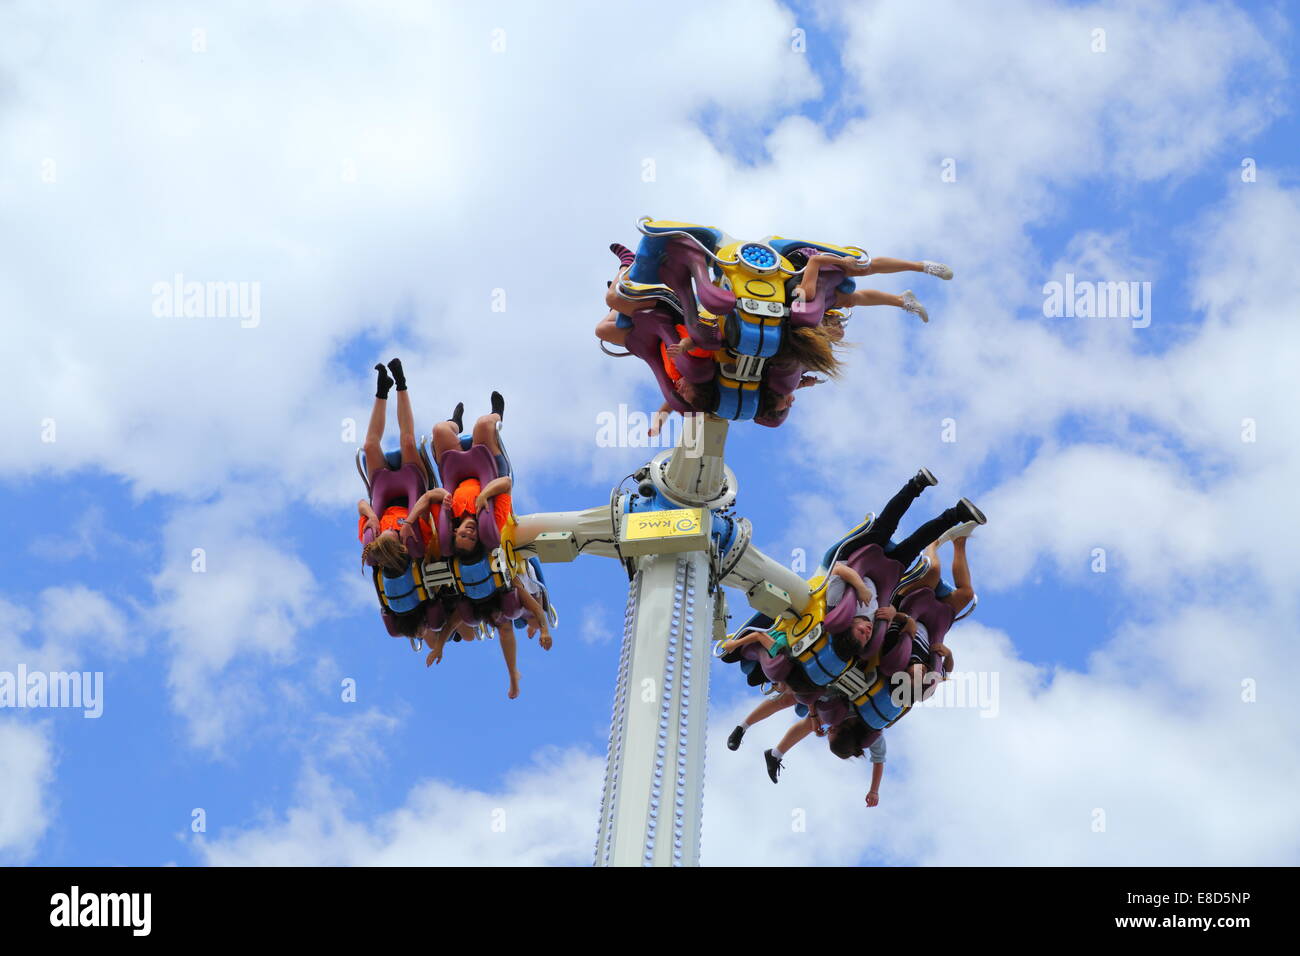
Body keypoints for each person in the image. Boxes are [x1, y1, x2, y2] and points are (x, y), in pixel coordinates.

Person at [357, 358, 438, 640]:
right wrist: (410, 520)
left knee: (369, 446)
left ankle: (382, 390)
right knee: (407, 441)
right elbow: (428, 499)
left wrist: (373, 516)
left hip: (383, 490)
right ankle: (401, 384)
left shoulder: (374, 538)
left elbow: (361, 504)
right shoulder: (415, 538)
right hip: (411, 486)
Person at [792, 248, 953, 324]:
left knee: (862, 269)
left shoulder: (808, 294)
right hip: (823, 286)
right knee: (849, 300)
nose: (839, 324)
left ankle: (922, 266)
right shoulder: (817, 313)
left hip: (808, 262)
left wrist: (843, 261)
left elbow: (815, 261)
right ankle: (902, 300)